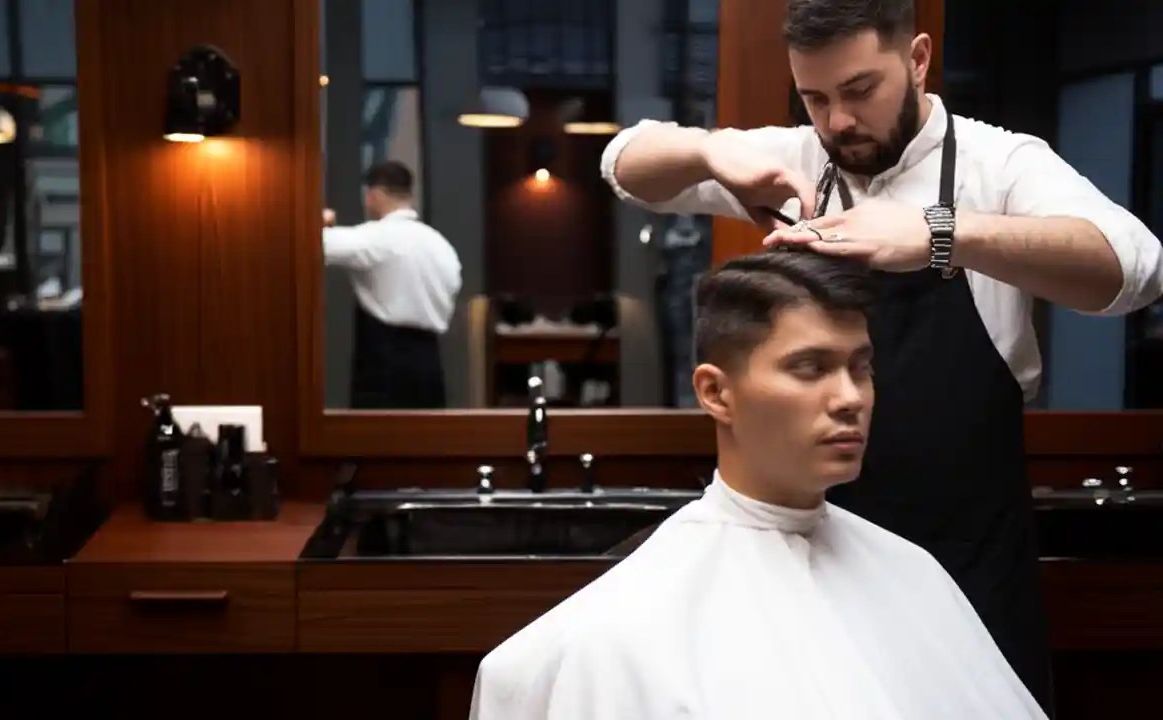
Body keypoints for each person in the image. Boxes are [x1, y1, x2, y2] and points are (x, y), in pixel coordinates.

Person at [598, 0, 1163, 711]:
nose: (837, 121)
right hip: (814, 564)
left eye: (860, 91)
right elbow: (625, 164)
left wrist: (939, 234)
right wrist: (712, 151)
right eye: (815, 97)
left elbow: (1137, 267)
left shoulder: (1000, 163)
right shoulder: (801, 159)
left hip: (964, 554)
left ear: (917, 60)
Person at [469, 249, 1048, 719]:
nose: (850, 397)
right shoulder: (627, 632)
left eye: (860, 366)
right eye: (811, 368)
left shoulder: (914, 574)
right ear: (716, 393)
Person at [321, 160, 462, 409]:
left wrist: (323, 222)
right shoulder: (441, 246)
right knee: (428, 441)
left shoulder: (376, 238)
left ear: (372, 196)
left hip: (386, 365)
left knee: (380, 444)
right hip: (431, 364)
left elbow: (310, 244)